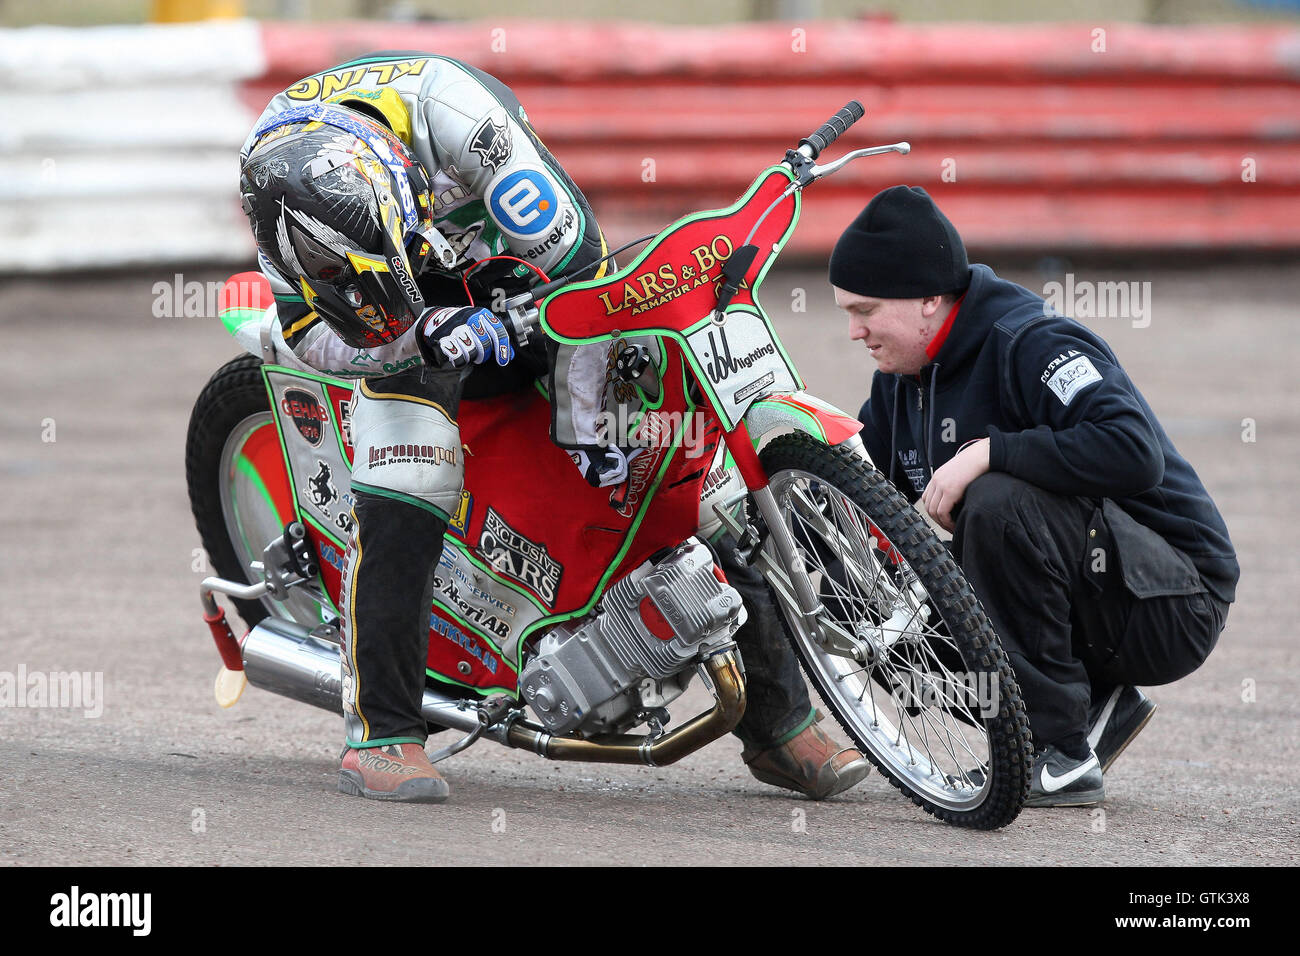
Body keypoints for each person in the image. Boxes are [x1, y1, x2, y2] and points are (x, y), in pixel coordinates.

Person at [237, 51, 869, 804]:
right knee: (408, 472)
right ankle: (383, 732)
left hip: (524, 276)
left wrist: (592, 427)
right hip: (415, 316)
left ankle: (776, 722)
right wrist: (423, 336)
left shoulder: (468, 129)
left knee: (662, 455)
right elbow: (310, 332)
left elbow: (583, 282)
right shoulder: (277, 183)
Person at [829, 186, 1238, 807]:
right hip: (1098, 598)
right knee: (869, 616)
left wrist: (990, 451)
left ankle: (1059, 753)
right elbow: (856, 502)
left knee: (997, 503)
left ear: (928, 299)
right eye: (847, 313)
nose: (854, 331)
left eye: (865, 311)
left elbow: (1134, 450)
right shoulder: (898, 384)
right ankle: (1094, 710)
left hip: (1173, 600)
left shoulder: (1030, 342)